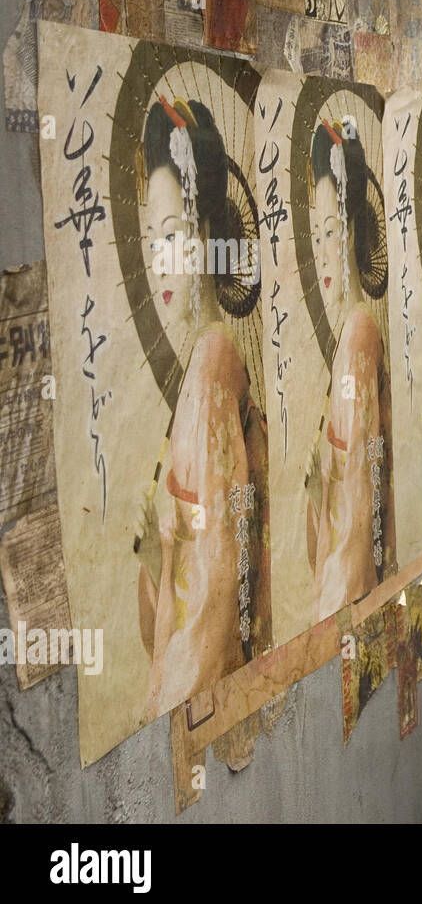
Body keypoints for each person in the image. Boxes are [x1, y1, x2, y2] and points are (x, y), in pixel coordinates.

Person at [134, 96, 269, 721]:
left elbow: (211, 589)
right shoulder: (210, 365)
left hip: (204, 687)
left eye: (175, 236)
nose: (162, 263)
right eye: (151, 240)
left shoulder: (212, 367)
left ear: (209, 234)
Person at [305, 118, 393, 622]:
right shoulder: (352, 333)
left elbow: (358, 501)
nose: (322, 252)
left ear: (357, 230)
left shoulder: (359, 333)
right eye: (315, 235)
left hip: (351, 580)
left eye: (333, 231)